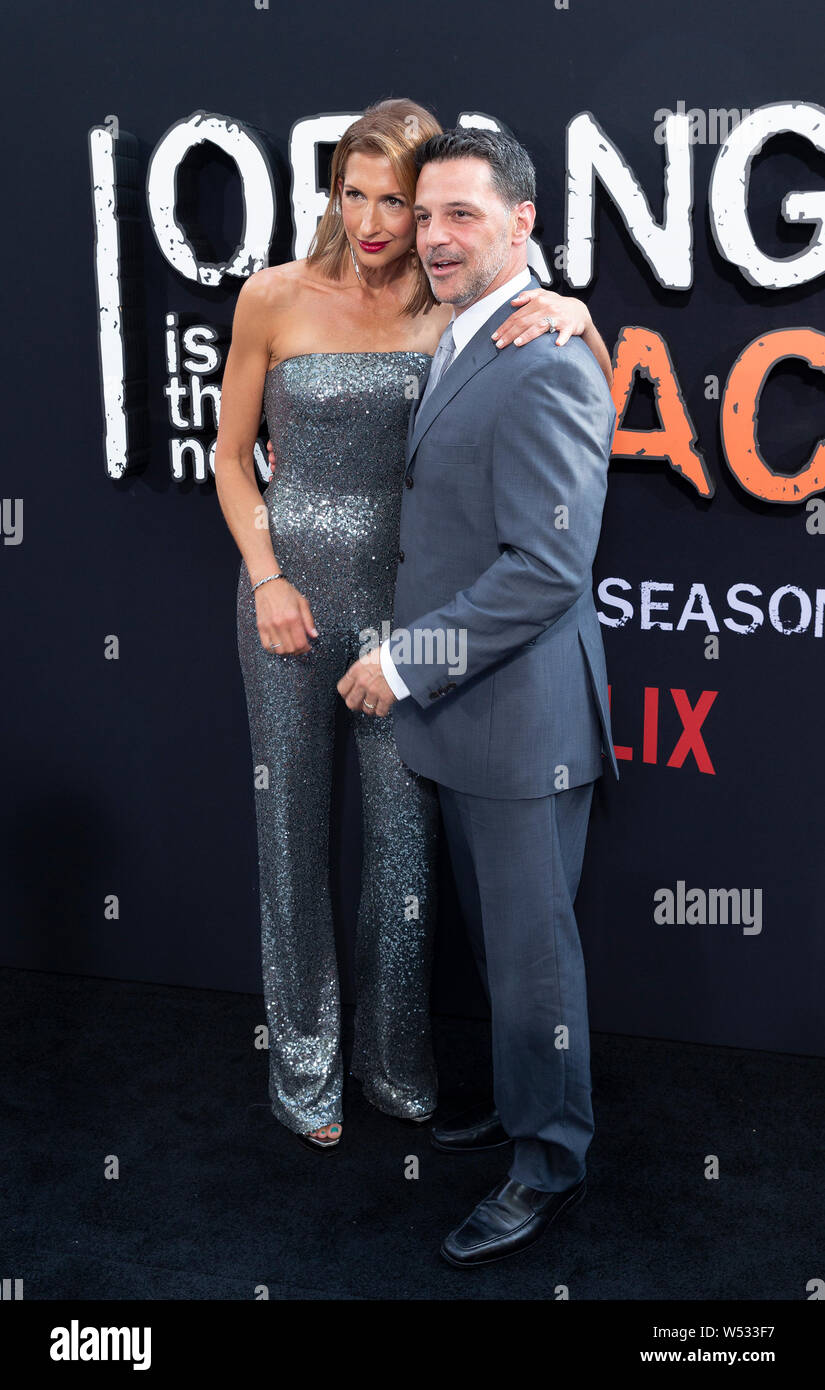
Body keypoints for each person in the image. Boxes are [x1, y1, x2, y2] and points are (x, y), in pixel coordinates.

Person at [215, 99, 614, 1152]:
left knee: (404, 855)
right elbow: (227, 456)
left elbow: (540, 360)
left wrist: (580, 316)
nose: (386, 221)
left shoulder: (452, 308)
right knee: (289, 836)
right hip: (287, 604)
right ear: (334, 193)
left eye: (409, 201)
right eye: (362, 194)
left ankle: (394, 1063)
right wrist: (265, 577)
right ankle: (304, 1070)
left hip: (415, 628)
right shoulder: (273, 296)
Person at [337, 126, 619, 1264]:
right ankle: (518, 1101)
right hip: (471, 719)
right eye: (427, 213)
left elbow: (550, 569)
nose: (437, 237)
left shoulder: (548, 356)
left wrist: (403, 662)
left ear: (522, 224)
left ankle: (549, 1161)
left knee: (533, 956)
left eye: (465, 215)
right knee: (507, 953)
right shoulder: (475, 328)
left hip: (522, 720)